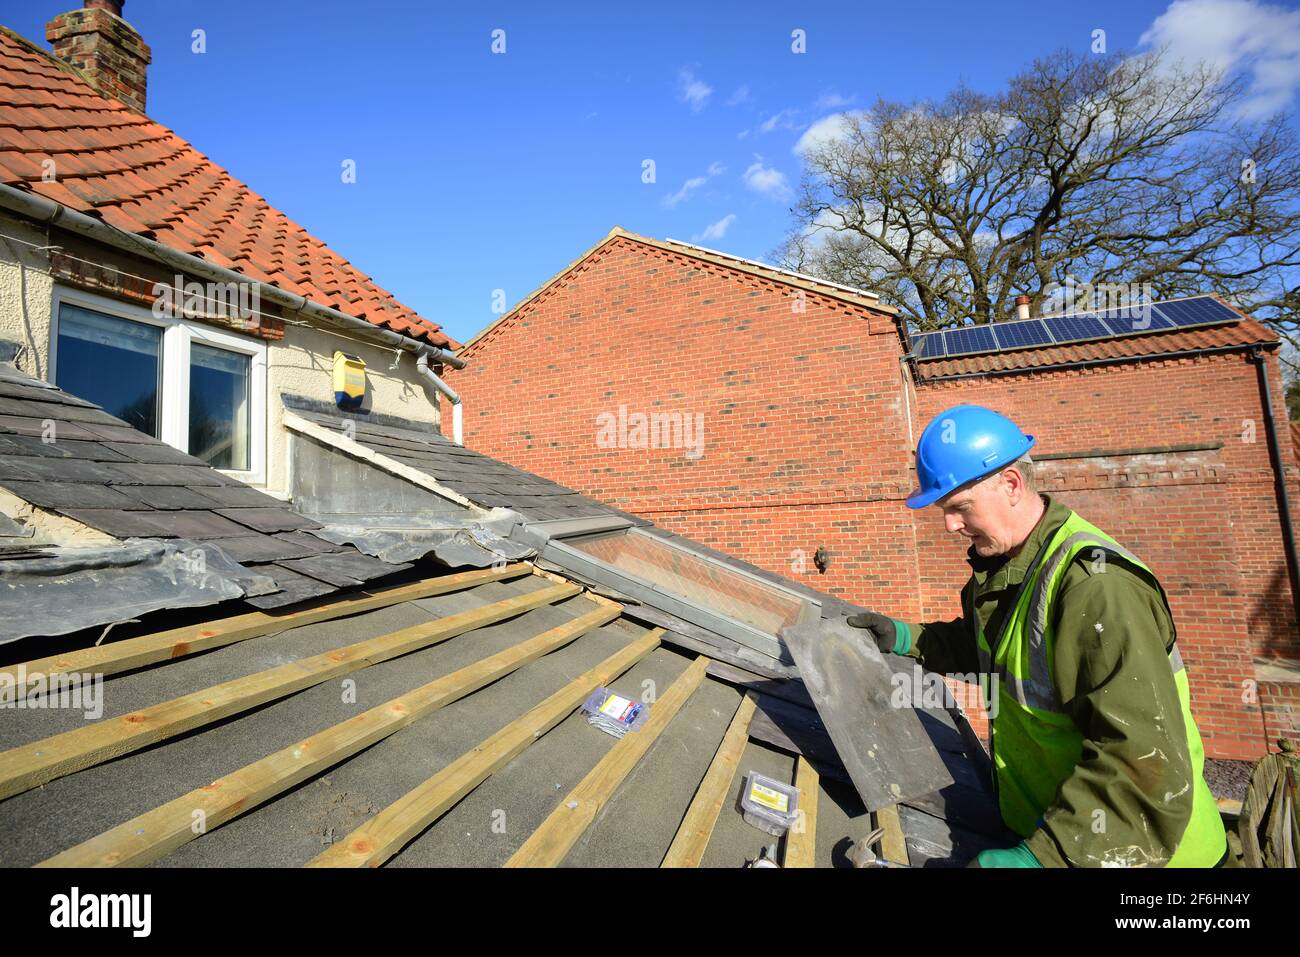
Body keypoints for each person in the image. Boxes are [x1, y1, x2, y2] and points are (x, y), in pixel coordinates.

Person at [850, 404, 1229, 867]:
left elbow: (1142, 761)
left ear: (1010, 484)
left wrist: (1043, 860)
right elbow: (998, 654)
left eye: (959, 507)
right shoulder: (1010, 566)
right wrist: (908, 638)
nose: (949, 524)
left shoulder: (1096, 589)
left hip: (1143, 856)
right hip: (1059, 831)